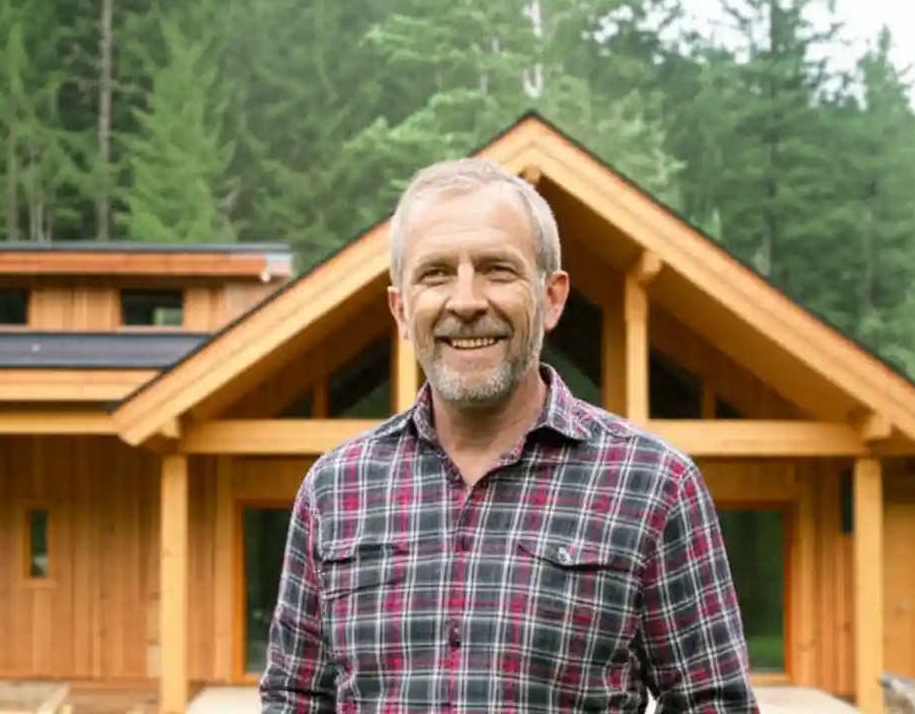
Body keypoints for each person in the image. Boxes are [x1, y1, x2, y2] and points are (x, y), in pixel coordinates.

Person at [259, 158, 759, 713]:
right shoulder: (333, 490)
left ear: (551, 297)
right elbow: (294, 697)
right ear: (401, 310)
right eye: (436, 273)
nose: (467, 301)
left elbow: (713, 704)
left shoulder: (654, 487)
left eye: (498, 270)